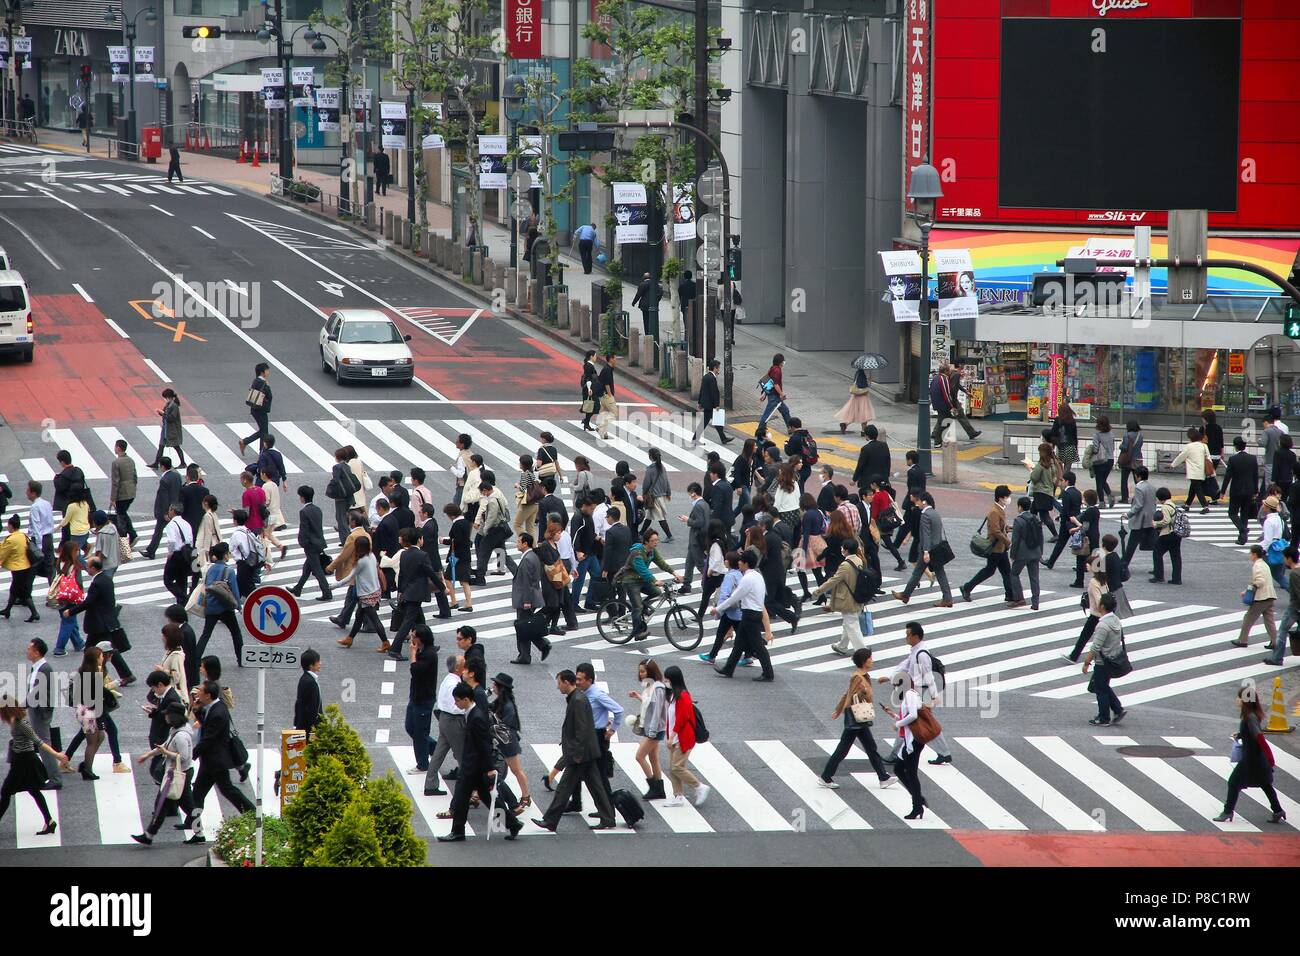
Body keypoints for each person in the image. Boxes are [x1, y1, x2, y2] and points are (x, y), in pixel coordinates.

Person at [436, 680, 523, 843]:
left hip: (473, 766)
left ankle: (457, 832)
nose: (455, 703)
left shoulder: (476, 717)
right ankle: (513, 823)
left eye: (457, 700)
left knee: (461, 797)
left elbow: (484, 744)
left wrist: (490, 768)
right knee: (487, 797)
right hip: (475, 766)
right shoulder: (472, 713)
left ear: (466, 699)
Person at [533, 670, 616, 832]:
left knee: (564, 787)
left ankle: (550, 820)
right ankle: (608, 818)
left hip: (580, 754)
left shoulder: (577, 700)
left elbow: (582, 730)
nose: (558, 687)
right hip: (586, 751)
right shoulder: (577, 697)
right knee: (595, 785)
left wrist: (577, 754)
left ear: (566, 682)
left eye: (558, 683)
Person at [877, 621, 954, 766]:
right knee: (927, 721)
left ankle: (895, 755)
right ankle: (944, 753)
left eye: (908, 635)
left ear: (916, 636)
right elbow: (905, 665)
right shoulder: (915, 651)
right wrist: (889, 677)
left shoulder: (921, 654)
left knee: (909, 719)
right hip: (917, 691)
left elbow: (929, 676)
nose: (906, 637)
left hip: (922, 692)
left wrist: (934, 696)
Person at [187, 680, 255, 843]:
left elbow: (209, 739)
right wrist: (196, 711)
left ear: (208, 695)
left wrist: (190, 755)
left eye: (200, 691)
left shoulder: (218, 712)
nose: (198, 694)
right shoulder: (213, 707)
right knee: (198, 793)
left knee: (227, 790)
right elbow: (205, 725)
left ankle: (253, 814)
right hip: (210, 760)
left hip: (216, 761)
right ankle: (195, 829)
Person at [819, 647, 893, 789]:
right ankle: (825, 776)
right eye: (870, 658)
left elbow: (848, 694)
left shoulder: (863, 676)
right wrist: (840, 709)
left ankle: (883, 777)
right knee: (844, 749)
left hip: (860, 719)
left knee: (870, 747)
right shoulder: (857, 677)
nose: (872, 660)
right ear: (864, 661)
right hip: (856, 718)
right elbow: (849, 695)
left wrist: (839, 709)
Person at [1214, 686, 1286, 824]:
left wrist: (1269, 759)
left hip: (1251, 759)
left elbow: (1259, 738)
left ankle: (1227, 812)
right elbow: (1253, 734)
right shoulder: (1250, 715)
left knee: (1234, 782)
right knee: (1265, 784)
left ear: (1245, 701)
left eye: (1239, 697)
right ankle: (1278, 810)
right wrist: (1241, 734)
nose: (1237, 700)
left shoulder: (1250, 717)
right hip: (1255, 758)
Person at [130, 702, 196, 845]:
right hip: (176, 773)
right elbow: (165, 745)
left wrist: (165, 753)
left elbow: (184, 757)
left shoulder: (181, 736)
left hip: (180, 774)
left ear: (174, 716)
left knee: (183, 806)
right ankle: (149, 835)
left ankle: (149, 835)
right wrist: (147, 755)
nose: (165, 716)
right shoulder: (176, 730)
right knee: (165, 805)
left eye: (167, 714)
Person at [0, 702, 68, 837]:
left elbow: (39, 741)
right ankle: (49, 821)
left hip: (23, 762)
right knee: (34, 791)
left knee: (6, 791)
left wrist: (57, 755)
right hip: (21, 760)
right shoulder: (16, 718)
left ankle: (49, 821)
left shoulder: (21, 723)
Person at [712, 548, 774, 680]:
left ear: (746, 563)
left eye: (741, 561)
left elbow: (734, 597)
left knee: (758, 646)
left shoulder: (747, 579)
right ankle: (728, 669)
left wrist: (718, 609)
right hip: (755, 613)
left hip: (749, 614)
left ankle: (768, 673)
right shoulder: (758, 576)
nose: (739, 563)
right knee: (739, 643)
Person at [812, 538, 874, 656]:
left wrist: (818, 591)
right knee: (849, 623)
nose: (841, 549)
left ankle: (862, 651)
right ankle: (842, 646)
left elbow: (833, 581)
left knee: (851, 624)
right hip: (858, 596)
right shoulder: (859, 560)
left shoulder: (845, 565)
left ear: (846, 550)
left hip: (847, 598)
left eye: (842, 548)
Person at [388, 527, 442, 659]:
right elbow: (430, 573)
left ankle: (428, 645)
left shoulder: (404, 554)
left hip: (407, 592)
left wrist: (400, 591)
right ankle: (395, 649)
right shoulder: (422, 555)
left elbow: (401, 575)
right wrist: (442, 587)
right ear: (419, 540)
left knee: (421, 623)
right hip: (416, 593)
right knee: (407, 623)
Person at [891, 492, 953, 607]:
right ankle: (947, 598)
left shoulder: (925, 515)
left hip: (928, 550)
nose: (917, 504)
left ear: (923, 502)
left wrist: (925, 551)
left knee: (919, 573)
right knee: (934, 572)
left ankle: (906, 595)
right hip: (937, 547)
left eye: (918, 501)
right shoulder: (934, 513)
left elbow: (925, 534)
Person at [660, 665, 709, 808]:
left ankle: (699, 787)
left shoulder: (683, 696)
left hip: (683, 737)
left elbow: (682, 719)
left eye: (667, 679)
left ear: (673, 679)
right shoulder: (674, 695)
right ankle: (678, 796)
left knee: (676, 767)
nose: (665, 681)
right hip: (675, 737)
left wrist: (671, 736)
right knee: (672, 767)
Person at [884, 673, 928, 818]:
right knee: (899, 768)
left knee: (911, 774)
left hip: (913, 741)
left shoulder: (909, 694)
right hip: (912, 740)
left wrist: (897, 724)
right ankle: (918, 799)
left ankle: (917, 806)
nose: (896, 689)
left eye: (897, 686)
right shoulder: (912, 694)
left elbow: (913, 716)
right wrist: (894, 715)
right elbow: (910, 717)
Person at [1081, 592, 1128, 726]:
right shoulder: (1115, 620)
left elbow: (1096, 647)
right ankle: (1118, 709)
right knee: (1103, 686)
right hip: (1113, 658)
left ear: (1102, 606)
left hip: (1103, 661)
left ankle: (1104, 717)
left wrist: (1086, 662)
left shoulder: (1102, 625)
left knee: (1100, 689)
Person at [960, 485, 1013, 603]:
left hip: (1000, 548)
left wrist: (1008, 528)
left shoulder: (1000, 509)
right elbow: (995, 531)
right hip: (995, 547)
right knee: (991, 570)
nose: (1008, 499)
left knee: (1004, 571)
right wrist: (1008, 541)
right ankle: (967, 587)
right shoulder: (994, 511)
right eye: (1006, 497)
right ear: (1000, 498)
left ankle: (1010, 594)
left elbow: (1000, 528)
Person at [194, 542, 243, 663]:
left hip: (211, 607)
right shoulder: (229, 571)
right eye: (228, 554)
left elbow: (206, 586)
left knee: (206, 634)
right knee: (236, 633)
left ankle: (195, 659)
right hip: (225, 608)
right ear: (225, 556)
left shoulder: (209, 569)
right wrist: (239, 607)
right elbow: (235, 591)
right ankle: (241, 658)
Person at [490, 673, 532, 815]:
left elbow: (506, 727)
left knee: (516, 770)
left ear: (501, 688)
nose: (493, 687)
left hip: (508, 742)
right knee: (514, 770)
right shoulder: (502, 701)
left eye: (495, 685)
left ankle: (526, 797)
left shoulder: (508, 706)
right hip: (504, 740)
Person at [424, 654, 465, 796]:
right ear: (458, 667)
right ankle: (468, 790)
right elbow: (457, 706)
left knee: (438, 754)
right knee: (463, 755)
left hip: (443, 719)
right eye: (464, 664)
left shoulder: (448, 679)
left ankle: (430, 785)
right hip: (454, 720)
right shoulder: (455, 684)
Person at [24, 638, 63, 788]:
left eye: (30, 649)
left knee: (43, 745)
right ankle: (48, 774)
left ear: (37, 652)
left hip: (40, 712)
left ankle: (55, 779)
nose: (27, 651)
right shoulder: (36, 667)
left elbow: (37, 693)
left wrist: (22, 706)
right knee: (42, 743)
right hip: (36, 709)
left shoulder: (44, 669)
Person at [628, 659, 668, 800]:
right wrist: (638, 696)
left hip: (654, 729)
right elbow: (648, 704)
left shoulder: (658, 688)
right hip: (651, 727)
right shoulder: (650, 686)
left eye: (643, 671)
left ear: (651, 671)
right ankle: (659, 790)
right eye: (640, 671)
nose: (641, 674)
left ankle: (654, 787)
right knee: (653, 758)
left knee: (639, 756)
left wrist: (652, 731)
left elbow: (658, 711)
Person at [288, 486, 331, 600]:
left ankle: (327, 592)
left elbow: (304, 529)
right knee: (307, 567)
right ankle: (298, 588)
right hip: (319, 542)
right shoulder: (317, 509)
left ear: (302, 497)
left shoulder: (304, 511)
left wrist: (303, 542)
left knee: (317, 569)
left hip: (311, 544)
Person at [1232, 544, 1278, 650]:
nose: (1249, 555)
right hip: (1270, 595)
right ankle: (1275, 641)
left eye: (1250, 553)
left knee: (1248, 618)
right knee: (1269, 620)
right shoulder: (1264, 564)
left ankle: (1242, 640)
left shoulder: (1257, 565)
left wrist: (1249, 590)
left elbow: (1260, 581)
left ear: (1254, 554)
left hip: (1261, 597)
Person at [1221, 435, 1260, 546]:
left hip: (1236, 490)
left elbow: (1228, 476)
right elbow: (1255, 475)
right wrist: (1256, 490)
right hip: (1249, 490)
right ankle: (1242, 538)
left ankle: (1242, 529)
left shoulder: (1233, 459)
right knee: (1244, 513)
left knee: (1232, 513)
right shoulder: (1252, 458)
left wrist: (1223, 491)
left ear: (1235, 446)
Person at [930, 363, 980, 446]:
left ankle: (936, 435)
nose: (949, 371)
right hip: (948, 401)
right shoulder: (949, 377)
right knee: (950, 419)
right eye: (948, 370)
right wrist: (952, 406)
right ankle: (938, 440)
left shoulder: (937, 377)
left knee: (942, 419)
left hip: (940, 402)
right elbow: (947, 392)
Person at [142, 458, 182, 561]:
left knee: (158, 531)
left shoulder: (164, 480)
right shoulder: (177, 476)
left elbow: (164, 498)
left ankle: (151, 551)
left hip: (167, 511)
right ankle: (151, 550)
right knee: (176, 531)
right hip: (176, 508)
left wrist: (165, 513)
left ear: (163, 466)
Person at [0, 514, 38, 621]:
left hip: (18, 568)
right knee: (14, 590)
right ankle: (7, 610)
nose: (7, 527)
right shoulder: (22, 535)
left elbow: (3, 552)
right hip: (25, 566)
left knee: (24, 593)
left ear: (11, 526)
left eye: (8, 525)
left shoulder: (11, 539)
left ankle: (35, 613)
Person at [51, 541, 86, 657]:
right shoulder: (75, 564)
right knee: (68, 622)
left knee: (70, 621)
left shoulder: (59, 563)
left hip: (60, 595)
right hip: (71, 597)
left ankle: (79, 643)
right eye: (76, 550)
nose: (78, 552)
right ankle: (59, 648)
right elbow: (79, 582)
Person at [1007, 496, 1043, 610]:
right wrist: (1040, 552)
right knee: (1034, 577)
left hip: (1022, 553)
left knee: (1014, 573)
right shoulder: (1035, 518)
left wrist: (1012, 555)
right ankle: (1035, 602)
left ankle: (1019, 598)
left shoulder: (1018, 520)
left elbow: (1015, 540)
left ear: (1020, 507)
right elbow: (1040, 537)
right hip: (1035, 552)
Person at [1065, 570, 1109, 663]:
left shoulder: (1094, 581)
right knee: (1091, 635)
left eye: (1089, 564)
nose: (1086, 566)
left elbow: (1098, 600)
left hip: (1096, 615)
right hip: (1104, 614)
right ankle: (1074, 655)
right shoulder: (1103, 579)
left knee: (1085, 636)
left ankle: (1074, 656)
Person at [1171, 426, 1214, 513]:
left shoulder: (1189, 446)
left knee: (1197, 489)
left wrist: (1173, 465)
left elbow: (1181, 457)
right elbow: (1209, 459)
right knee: (1193, 488)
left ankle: (1205, 506)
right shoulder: (1204, 446)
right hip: (1202, 471)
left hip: (1193, 472)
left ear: (1190, 437)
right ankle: (1187, 505)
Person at [1121, 465, 1156, 568]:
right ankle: (1157, 567)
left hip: (1141, 520)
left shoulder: (1139, 487)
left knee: (1132, 544)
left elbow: (1138, 505)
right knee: (1155, 545)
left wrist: (1128, 514)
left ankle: (1124, 564)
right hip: (1150, 519)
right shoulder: (1151, 487)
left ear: (1138, 476)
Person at [1028, 442, 1062, 541]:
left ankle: (1055, 534)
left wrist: (1031, 469)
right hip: (1048, 491)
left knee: (1044, 515)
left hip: (1040, 491)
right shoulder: (1053, 463)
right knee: (1033, 511)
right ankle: (1032, 531)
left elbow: (1034, 478)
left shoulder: (1042, 465)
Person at [1149, 487, 1183, 585]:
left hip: (1168, 534)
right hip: (1176, 534)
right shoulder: (1173, 505)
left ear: (1160, 498)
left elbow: (1166, 521)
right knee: (1176, 556)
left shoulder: (1165, 507)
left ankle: (1159, 576)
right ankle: (1177, 578)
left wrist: (1156, 524)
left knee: (1157, 552)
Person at [107, 439, 138, 545]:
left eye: (115, 446)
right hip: (131, 492)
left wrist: (112, 498)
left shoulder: (116, 462)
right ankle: (133, 535)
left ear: (119, 448)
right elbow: (135, 477)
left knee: (120, 517)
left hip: (122, 494)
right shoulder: (131, 460)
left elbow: (115, 482)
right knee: (123, 513)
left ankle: (124, 541)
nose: (114, 448)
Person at [238, 362, 272, 456]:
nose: (268, 372)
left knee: (263, 431)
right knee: (264, 432)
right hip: (260, 410)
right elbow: (267, 395)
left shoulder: (257, 381)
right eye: (267, 370)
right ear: (262, 372)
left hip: (257, 410)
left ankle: (246, 443)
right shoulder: (261, 382)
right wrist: (267, 386)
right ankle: (262, 452)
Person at [640, 448, 673, 541]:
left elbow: (646, 483)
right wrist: (668, 492)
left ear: (650, 457)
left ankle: (669, 535)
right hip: (661, 495)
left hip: (654, 496)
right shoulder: (662, 467)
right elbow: (666, 481)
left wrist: (643, 494)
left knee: (660, 517)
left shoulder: (650, 469)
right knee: (649, 515)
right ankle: (641, 533)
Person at [25, 481, 55, 581]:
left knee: (32, 567)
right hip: (48, 537)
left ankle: (26, 592)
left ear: (33, 493)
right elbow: (50, 521)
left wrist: (38, 546)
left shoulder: (34, 507)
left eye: (28, 490)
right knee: (50, 566)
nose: (26, 492)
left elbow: (36, 526)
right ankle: (53, 590)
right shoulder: (46, 503)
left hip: (39, 539)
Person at [149, 389, 185, 469]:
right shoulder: (168, 404)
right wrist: (161, 413)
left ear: (169, 397)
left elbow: (171, 418)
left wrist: (163, 413)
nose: (165, 399)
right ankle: (156, 463)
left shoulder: (174, 406)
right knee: (161, 446)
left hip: (171, 430)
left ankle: (183, 463)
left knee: (176, 446)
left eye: (165, 397)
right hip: (166, 429)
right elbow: (165, 415)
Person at [853, 424, 892, 497]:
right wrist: (887, 477)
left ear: (867, 436)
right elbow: (888, 462)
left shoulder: (865, 448)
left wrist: (854, 479)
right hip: (882, 480)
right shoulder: (884, 446)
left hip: (868, 482)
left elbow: (860, 465)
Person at [757, 353, 792, 430]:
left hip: (773, 395)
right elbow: (775, 384)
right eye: (783, 361)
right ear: (780, 362)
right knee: (767, 414)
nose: (784, 362)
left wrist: (765, 394)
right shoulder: (777, 371)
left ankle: (790, 428)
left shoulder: (772, 368)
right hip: (774, 396)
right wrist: (782, 394)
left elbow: (768, 381)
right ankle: (760, 429)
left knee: (785, 411)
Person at [294, 648, 324, 736]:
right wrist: (316, 726)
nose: (320, 663)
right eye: (318, 661)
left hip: (305, 726)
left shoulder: (305, 679)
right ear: (311, 665)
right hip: (309, 728)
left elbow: (298, 703)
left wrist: (296, 723)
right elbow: (312, 707)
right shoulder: (309, 682)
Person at [156, 622, 189, 704]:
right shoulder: (171, 650)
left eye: (164, 636)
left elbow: (176, 676)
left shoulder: (176, 655)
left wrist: (162, 670)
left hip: (175, 693)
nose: (162, 638)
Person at [1088, 416, 1116, 508]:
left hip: (1100, 460)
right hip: (1110, 459)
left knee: (1099, 481)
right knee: (1103, 480)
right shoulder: (1111, 434)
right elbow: (1113, 448)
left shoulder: (1097, 435)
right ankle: (1110, 495)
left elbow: (1096, 449)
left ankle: (1102, 502)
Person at [594, 352, 618, 440]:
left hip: (602, 395)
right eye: (615, 358)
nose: (616, 360)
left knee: (603, 413)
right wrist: (610, 395)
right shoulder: (608, 369)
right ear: (611, 359)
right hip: (606, 395)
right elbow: (607, 384)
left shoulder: (607, 368)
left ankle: (604, 433)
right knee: (614, 413)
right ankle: (600, 427)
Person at [631, 272, 660, 339]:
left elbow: (638, 295)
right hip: (654, 305)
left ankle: (647, 335)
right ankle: (653, 334)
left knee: (646, 320)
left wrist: (634, 302)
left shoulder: (642, 284)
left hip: (645, 305)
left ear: (643, 278)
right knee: (653, 320)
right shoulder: (655, 284)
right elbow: (660, 292)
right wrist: (657, 300)